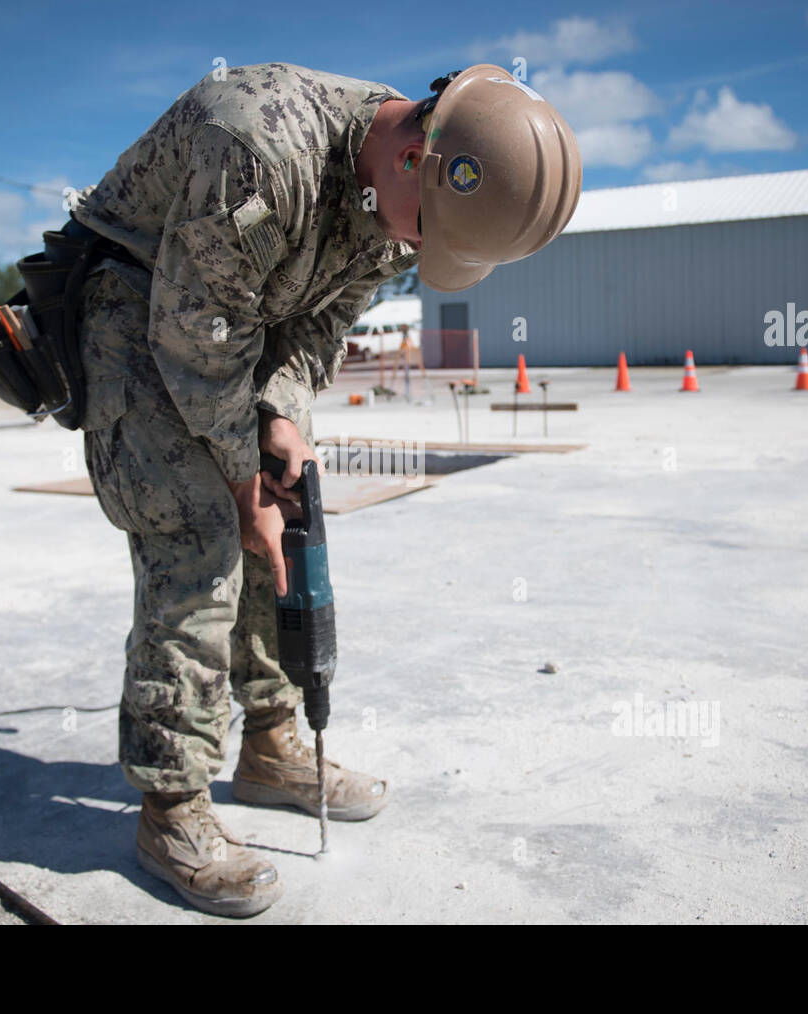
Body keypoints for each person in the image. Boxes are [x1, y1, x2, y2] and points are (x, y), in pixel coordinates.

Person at [65, 61, 581, 918]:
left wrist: (283, 429)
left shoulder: (403, 208)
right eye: (427, 233)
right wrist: (240, 486)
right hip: (133, 310)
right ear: (417, 152)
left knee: (288, 520)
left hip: (237, 324)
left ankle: (270, 745)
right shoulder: (258, 143)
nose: (418, 250)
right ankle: (171, 806)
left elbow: (320, 326)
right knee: (198, 540)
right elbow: (196, 336)